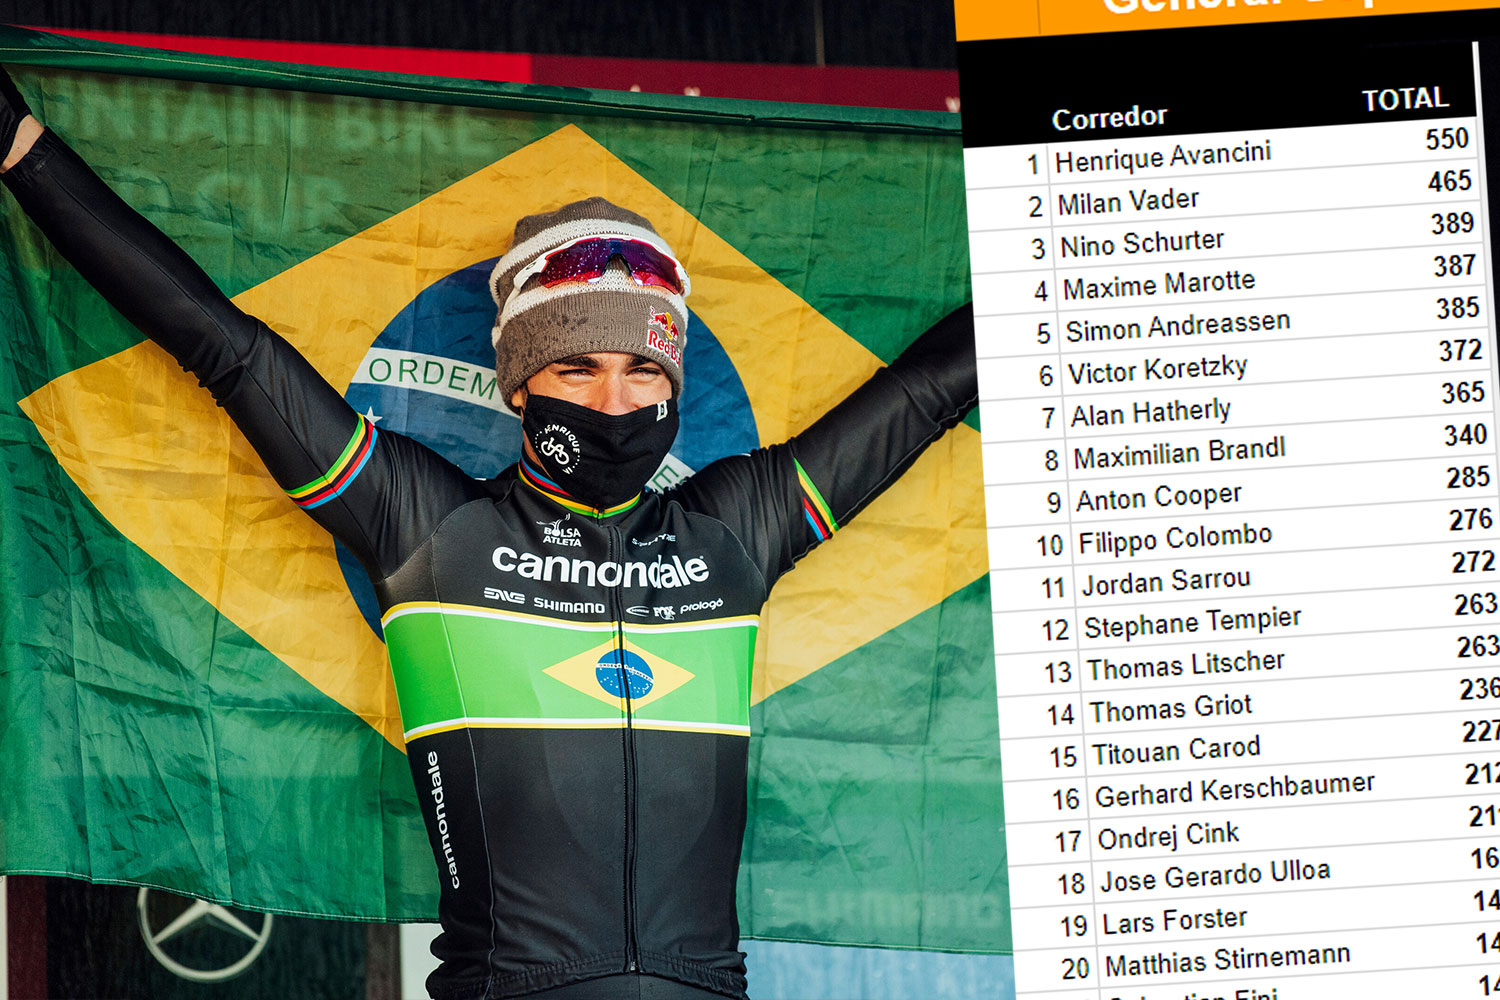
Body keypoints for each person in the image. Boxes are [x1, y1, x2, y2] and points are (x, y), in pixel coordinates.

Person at [0, 68, 976, 1000]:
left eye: (645, 371)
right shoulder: (431, 524)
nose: (615, 399)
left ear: (678, 383)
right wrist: (22, 156)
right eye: (578, 368)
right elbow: (222, 345)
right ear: (517, 386)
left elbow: (935, 388)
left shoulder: (738, 528)